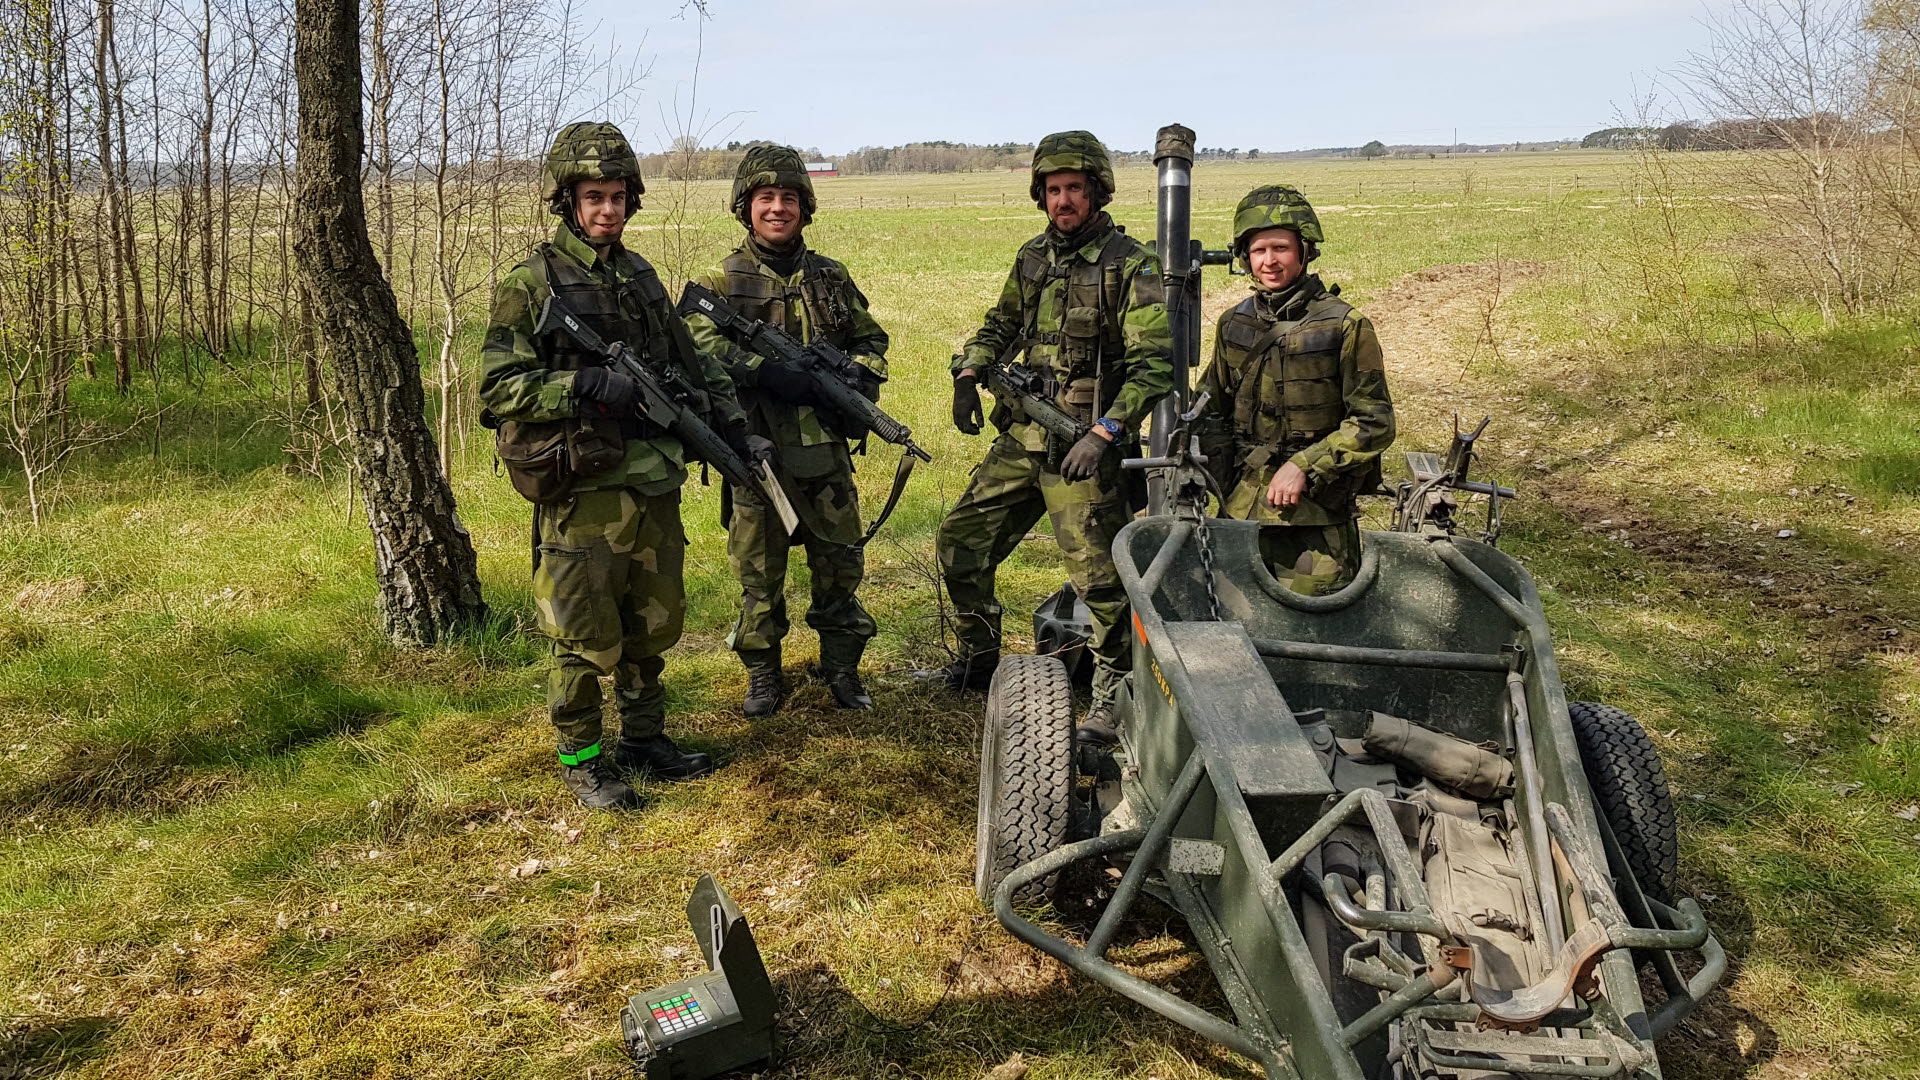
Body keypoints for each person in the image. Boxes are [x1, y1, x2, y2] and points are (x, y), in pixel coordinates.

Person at [478, 121, 748, 809]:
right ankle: (583, 761)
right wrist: (584, 387)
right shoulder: (532, 283)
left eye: (618, 196)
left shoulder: (639, 276)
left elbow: (694, 365)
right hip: (585, 490)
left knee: (648, 626)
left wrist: (740, 432)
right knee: (582, 635)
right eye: (593, 196)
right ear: (567, 200)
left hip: (652, 483)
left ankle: (644, 741)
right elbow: (497, 388)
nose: (607, 209)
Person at [925, 130, 1171, 744]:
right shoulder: (1032, 257)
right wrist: (969, 370)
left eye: (1074, 189)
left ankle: (1114, 695)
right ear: (1041, 195)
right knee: (961, 541)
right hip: (1023, 441)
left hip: (1083, 455)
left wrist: (1107, 432)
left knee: (1102, 584)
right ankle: (981, 658)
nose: (1064, 200)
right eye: (1053, 189)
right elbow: (1000, 324)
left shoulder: (1128, 264)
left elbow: (1156, 365)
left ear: (1097, 191)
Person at [682, 145, 889, 717]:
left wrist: (858, 376)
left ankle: (843, 671)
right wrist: (765, 371)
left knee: (840, 567)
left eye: (788, 199)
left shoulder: (830, 277)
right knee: (758, 576)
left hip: (824, 455)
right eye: (765, 199)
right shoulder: (719, 280)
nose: (777, 209)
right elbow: (699, 350)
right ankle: (764, 676)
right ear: (745, 206)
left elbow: (872, 341)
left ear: (805, 206)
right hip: (756, 452)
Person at [1194, 184, 1395, 595]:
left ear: (1305, 250)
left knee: (1316, 629)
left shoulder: (1344, 326)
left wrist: (1304, 465)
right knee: (1233, 619)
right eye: (1258, 250)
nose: (1269, 261)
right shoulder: (1233, 323)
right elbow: (1209, 406)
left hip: (1315, 518)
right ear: (1244, 258)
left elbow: (1374, 422)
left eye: (1280, 248)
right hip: (1241, 509)